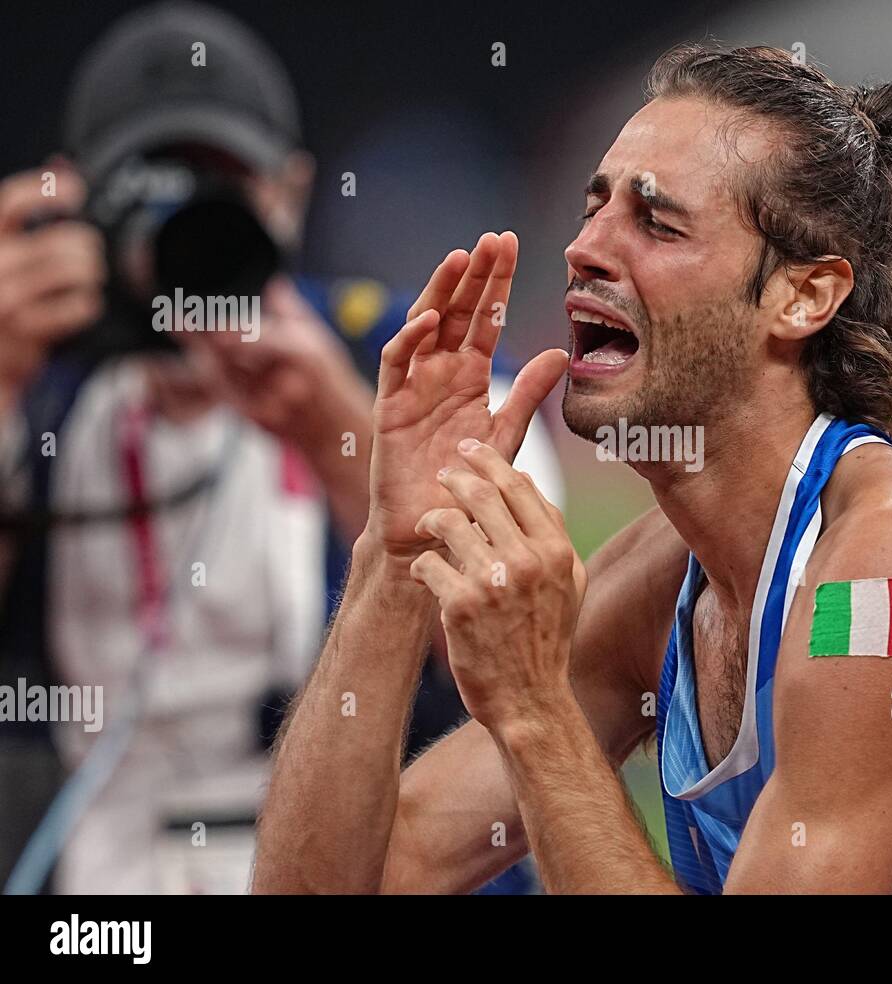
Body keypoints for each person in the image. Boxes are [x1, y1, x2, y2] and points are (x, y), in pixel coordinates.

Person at [253, 44, 892, 894]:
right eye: (594, 209)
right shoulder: (661, 583)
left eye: (656, 224)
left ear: (803, 295)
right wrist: (393, 551)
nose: (584, 250)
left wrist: (537, 712)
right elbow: (340, 884)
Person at [0, 2, 559, 893]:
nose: (180, 242)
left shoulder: (408, 358)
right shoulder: (41, 378)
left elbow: (532, 660)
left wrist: (341, 435)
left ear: (291, 194)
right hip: (98, 883)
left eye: (223, 196)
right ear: (71, 202)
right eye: (146, 194)